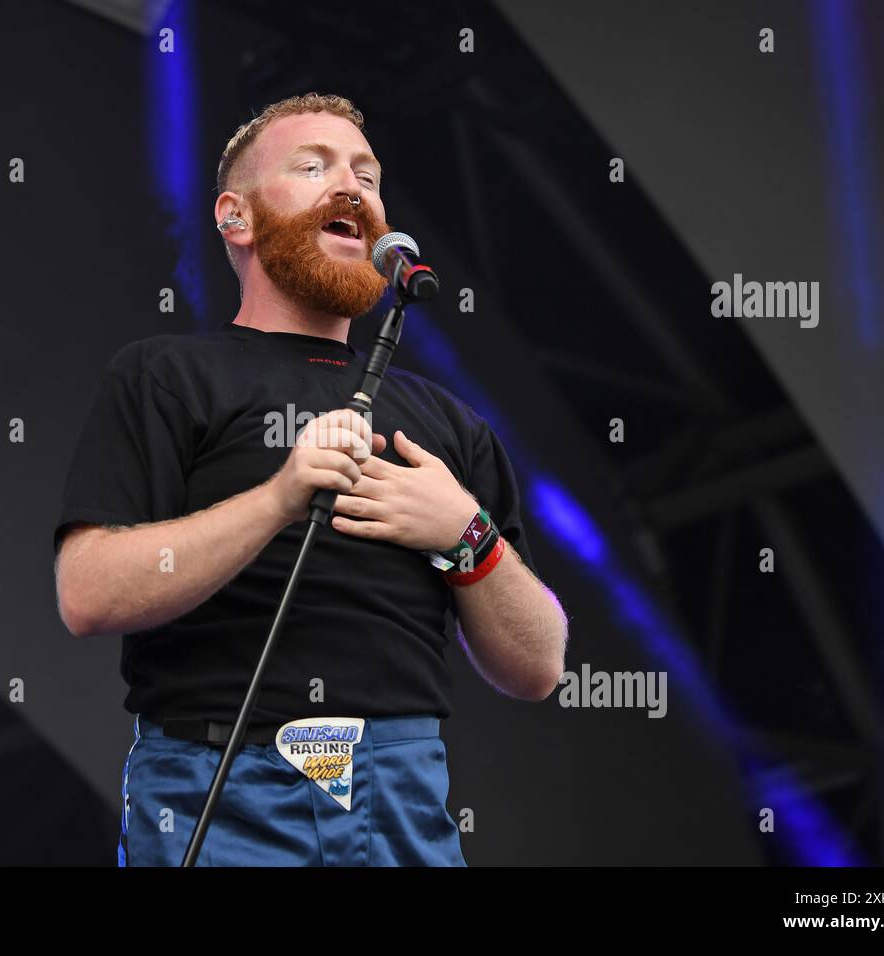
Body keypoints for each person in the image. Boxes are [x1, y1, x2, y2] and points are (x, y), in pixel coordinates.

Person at [53, 92, 567, 866]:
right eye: (312, 165)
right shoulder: (168, 375)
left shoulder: (449, 423)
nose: (351, 187)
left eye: (366, 173)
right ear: (237, 218)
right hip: (221, 785)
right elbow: (87, 592)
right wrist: (278, 499)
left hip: (403, 791)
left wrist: (467, 536)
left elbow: (539, 667)